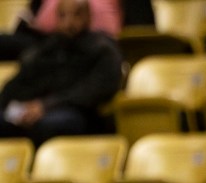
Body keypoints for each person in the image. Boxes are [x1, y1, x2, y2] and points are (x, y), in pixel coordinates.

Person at [0, 0, 122, 147]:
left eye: (77, 15)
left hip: (80, 112)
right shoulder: (47, 50)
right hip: (39, 108)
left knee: (50, 125)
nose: (69, 22)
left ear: (88, 17)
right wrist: (20, 106)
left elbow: (92, 91)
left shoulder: (102, 50)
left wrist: (45, 106)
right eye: (63, 16)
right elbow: (20, 83)